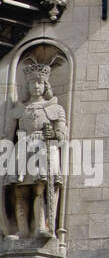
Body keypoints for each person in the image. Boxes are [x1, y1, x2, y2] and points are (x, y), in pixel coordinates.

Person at [1, 57, 67, 240]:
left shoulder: (56, 108)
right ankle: (22, 230)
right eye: (32, 83)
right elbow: (8, 135)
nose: (36, 86)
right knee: (20, 189)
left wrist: (52, 134)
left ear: (46, 86)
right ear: (27, 86)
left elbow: (62, 134)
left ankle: (41, 227)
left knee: (40, 188)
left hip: (44, 149)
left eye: (40, 82)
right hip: (22, 148)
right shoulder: (19, 109)